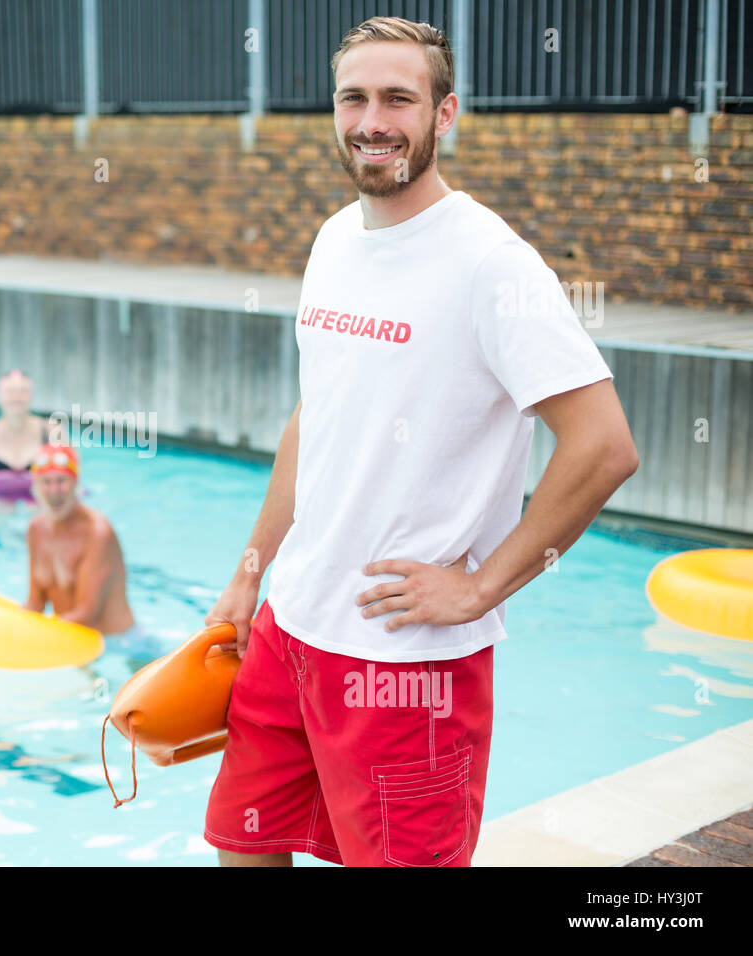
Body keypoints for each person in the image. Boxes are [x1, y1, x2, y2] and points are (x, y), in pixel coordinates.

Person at [202, 16, 638, 868]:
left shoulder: (492, 265)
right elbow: (314, 418)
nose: (373, 120)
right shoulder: (335, 239)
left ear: (444, 115)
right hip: (292, 628)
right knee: (243, 846)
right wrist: (249, 576)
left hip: (405, 664)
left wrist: (479, 588)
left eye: (399, 98)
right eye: (354, 97)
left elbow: (604, 447)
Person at [23, 444, 136, 636]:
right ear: (35, 487)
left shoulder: (97, 533)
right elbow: (36, 603)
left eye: (61, 481)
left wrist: (36, 633)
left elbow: (86, 615)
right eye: (46, 482)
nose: (54, 490)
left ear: (76, 483)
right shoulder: (36, 529)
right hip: (70, 636)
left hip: (118, 643)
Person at [0, 370, 63, 479]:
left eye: (23, 392)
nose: (16, 397)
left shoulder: (50, 430)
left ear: (31, 395)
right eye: (10, 392)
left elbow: (71, 475)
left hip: (37, 496)